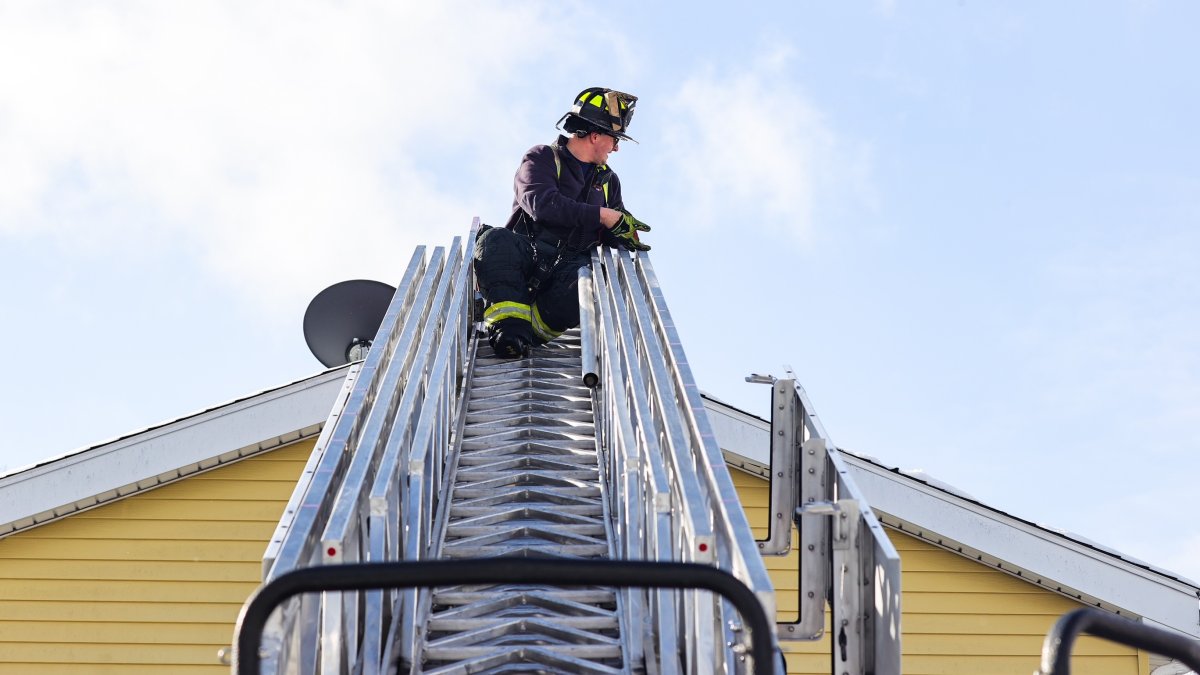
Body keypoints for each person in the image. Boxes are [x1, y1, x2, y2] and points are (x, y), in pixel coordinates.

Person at [474, 87, 652, 359]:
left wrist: (624, 232)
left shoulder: (608, 182)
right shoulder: (542, 158)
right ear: (595, 135)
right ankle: (508, 325)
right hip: (526, 258)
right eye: (614, 139)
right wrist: (602, 216)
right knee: (495, 240)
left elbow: (613, 225)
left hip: (565, 279)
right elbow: (542, 204)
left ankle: (527, 331)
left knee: (590, 280)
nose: (616, 148)